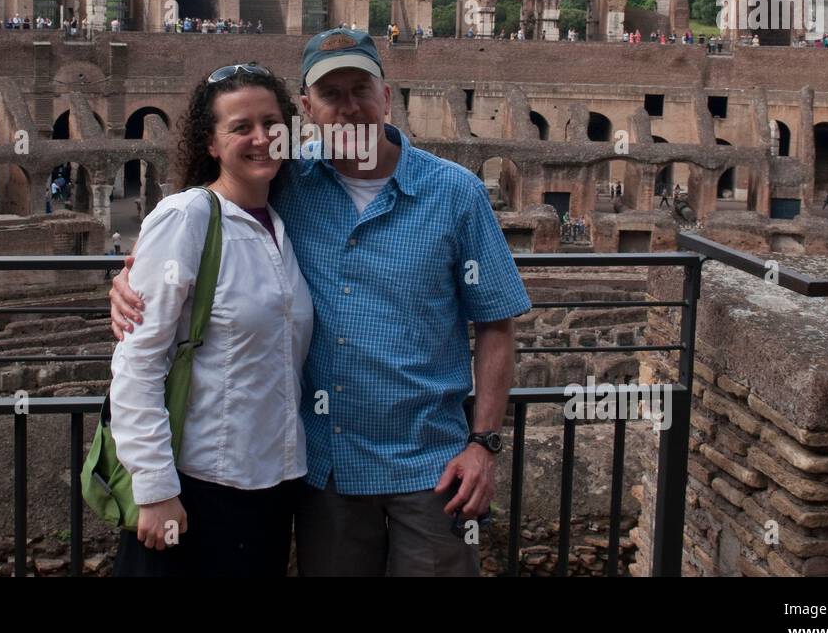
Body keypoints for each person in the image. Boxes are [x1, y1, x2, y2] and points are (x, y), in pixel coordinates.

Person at [112, 28, 530, 576]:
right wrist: (130, 270)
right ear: (308, 109)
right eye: (331, 94)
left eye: (362, 87)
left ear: (386, 95)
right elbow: (206, 205)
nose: (349, 105)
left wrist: (484, 444)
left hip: (434, 468)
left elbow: (496, 325)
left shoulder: (456, 193)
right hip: (327, 472)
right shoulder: (291, 178)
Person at [110, 62, 312, 577]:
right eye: (241, 127)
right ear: (211, 144)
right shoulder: (188, 217)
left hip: (275, 484)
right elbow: (137, 362)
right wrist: (153, 490)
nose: (262, 138)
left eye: (272, 124)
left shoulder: (287, 225)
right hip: (199, 485)